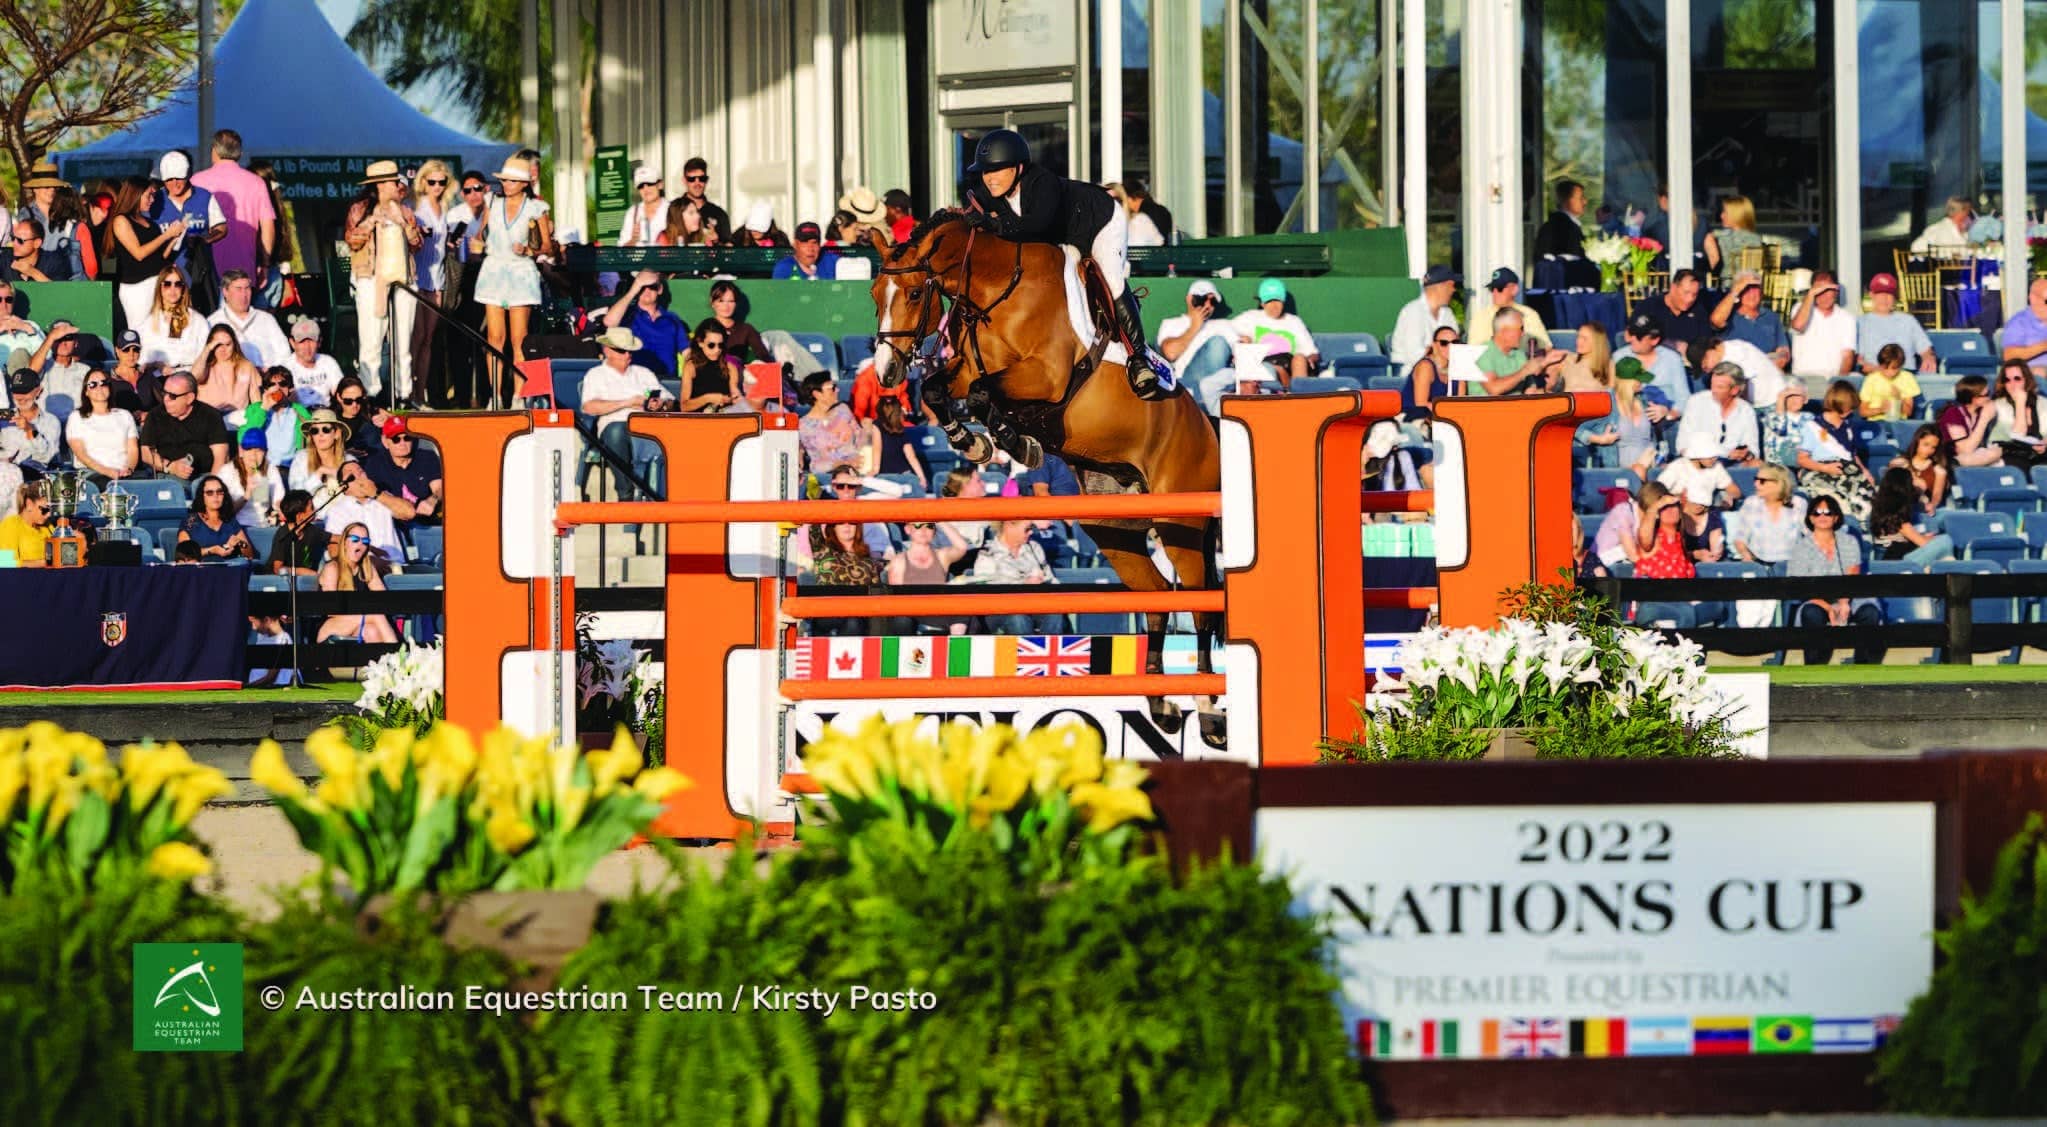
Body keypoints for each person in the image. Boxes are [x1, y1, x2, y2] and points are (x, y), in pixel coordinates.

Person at [961, 128, 1176, 396]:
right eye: (985, 171)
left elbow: (1035, 227)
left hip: (1100, 222)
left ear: (1018, 168)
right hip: (1066, 238)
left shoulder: (1043, 183)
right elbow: (969, 209)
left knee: (1111, 278)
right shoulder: (991, 191)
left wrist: (991, 223)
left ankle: (1138, 357)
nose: (990, 178)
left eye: (997, 169)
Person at [469, 158, 553, 407]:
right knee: (495, 337)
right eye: (504, 179)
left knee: (520, 339)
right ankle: (495, 396)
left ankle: (519, 395)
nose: (506, 184)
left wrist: (528, 250)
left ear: (524, 184)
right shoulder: (492, 202)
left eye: (512, 180)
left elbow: (547, 245)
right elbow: (481, 234)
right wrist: (478, 244)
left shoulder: (536, 208)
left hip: (521, 273)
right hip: (493, 270)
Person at [344, 161, 424, 404]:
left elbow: (417, 244)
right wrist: (371, 222)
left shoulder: (405, 210)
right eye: (392, 181)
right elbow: (352, 241)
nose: (397, 185)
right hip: (371, 278)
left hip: (403, 279)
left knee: (403, 340)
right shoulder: (360, 209)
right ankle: (371, 392)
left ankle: (403, 393)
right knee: (371, 338)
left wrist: (403, 222)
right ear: (379, 185)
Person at [581, 326, 674, 502]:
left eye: (629, 351)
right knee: (616, 431)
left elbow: (669, 399)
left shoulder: (643, 373)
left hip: (649, 425)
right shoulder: (596, 375)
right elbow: (589, 407)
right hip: (617, 425)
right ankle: (626, 493)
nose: (627, 355)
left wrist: (660, 404)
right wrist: (628, 403)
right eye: (622, 351)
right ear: (607, 350)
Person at [1787, 496, 1883, 666]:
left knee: (1870, 612)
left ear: (1836, 517)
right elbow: (1800, 585)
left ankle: (1863, 665)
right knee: (1811, 613)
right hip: (1815, 599)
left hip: (1848, 595)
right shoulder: (1801, 546)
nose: (1822, 516)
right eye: (1817, 512)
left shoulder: (1848, 541)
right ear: (1810, 517)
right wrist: (1828, 607)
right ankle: (1814, 666)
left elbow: (1852, 572)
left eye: (1827, 512)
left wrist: (1844, 601)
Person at [187, 129, 277, 289]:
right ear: (240, 153)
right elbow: (268, 227)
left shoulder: (197, 181)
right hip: (244, 271)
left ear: (214, 150)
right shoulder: (256, 182)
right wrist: (265, 263)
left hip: (205, 270)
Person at [104, 176, 184, 333]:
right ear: (135, 195)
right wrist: (166, 236)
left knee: (163, 329)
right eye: (149, 195)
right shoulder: (121, 221)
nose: (152, 200)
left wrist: (174, 240)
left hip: (158, 282)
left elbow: (160, 256)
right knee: (141, 331)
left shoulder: (150, 223)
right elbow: (138, 253)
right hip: (137, 287)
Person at [407, 159, 456, 404]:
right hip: (419, 275)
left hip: (437, 277)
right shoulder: (416, 207)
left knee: (428, 340)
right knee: (416, 339)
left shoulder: (445, 208)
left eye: (441, 182)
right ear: (423, 181)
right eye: (432, 181)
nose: (437, 186)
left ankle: (420, 393)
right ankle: (410, 391)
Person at [1795, 380, 1877, 522]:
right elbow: (1802, 459)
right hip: (1820, 471)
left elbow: (1852, 454)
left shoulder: (1848, 425)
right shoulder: (1812, 426)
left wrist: (1864, 470)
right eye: (1849, 407)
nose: (1852, 411)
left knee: (1868, 502)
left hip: (1847, 470)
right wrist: (1825, 468)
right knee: (1839, 505)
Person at [151, 150, 226, 301]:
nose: (174, 184)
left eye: (179, 178)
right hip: (165, 279)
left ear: (188, 175)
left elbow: (222, 228)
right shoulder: (155, 200)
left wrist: (203, 239)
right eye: (169, 180)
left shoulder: (204, 197)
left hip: (199, 274)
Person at [1158, 280, 1237, 414]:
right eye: (1202, 299)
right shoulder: (1171, 324)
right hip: (1186, 385)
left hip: (1217, 387)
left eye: (1212, 302)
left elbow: (1242, 353)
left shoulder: (1223, 325)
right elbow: (1170, 353)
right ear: (1190, 299)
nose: (1207, 305)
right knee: (1217, 343)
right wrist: (1195, 326)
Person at [883, 519, 973, 635]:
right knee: (903, 619)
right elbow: (898, 599)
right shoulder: (899, 561)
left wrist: (940, 520)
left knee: (964, 608)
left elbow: (962, 547)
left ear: (934, 531)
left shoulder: (941, 556)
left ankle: (955, 648)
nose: (923, 530)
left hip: (938, 610)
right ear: (907, 529)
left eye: (929, 526)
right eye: (918, 525)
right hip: (912, 612)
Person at [972, 519, 1063, 634]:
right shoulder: (987, 554)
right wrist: (1024, 585)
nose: (1031, 532)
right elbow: (987, 594)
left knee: (1054, 613)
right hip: (1002, 610)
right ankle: (1023, 651)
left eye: (1032, 528)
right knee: (1017, 617)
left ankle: (1050, 650)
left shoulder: (1034, 548)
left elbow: (1050, 578)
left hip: (1034, 604)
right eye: (1027, 529)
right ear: (1009, 526)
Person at [315, 521, 399, 645]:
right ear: (344, 543)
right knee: (377, 616)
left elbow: (383, 599)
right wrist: (366, 612)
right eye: (355, 539)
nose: (360, 544)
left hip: (358, 623)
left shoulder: (367, 568)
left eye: (365, 541)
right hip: (331, 626)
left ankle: (378, 664)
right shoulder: (332, 568)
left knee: (371, 631)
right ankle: (397, 655)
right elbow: (331, 610)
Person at [1228, 277, 1321, 386]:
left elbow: (1312, 352)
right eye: (1269, 301)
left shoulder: (1294, 321)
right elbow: (1226, 330)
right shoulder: (1251, 317)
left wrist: (1311, 358)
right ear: (1262, 303)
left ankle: (1297, 396)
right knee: (1246, 344)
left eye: (1277, 300)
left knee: (1299, 359)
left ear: (1283, 301)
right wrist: (1240, 344)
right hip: (1263, 365)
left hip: (1290, 366)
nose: (1274, 306)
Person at [139, 372, 230, 481]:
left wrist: (211, 484)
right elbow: (146, 453)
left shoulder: (210, 415)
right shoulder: (155, 415)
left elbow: (221, 455)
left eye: (172, 396)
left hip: (205, 475)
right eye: (164, 393)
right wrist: (170, 467)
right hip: (169, 475)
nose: (166, 399)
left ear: (189, 398)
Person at [602, 269, 691, 377]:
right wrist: (634, 289)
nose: (647, 290)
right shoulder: (627, 314)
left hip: (666, 381)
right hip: (634, 380)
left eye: (652, 287)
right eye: (642, 287)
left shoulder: (672, 319)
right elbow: (609, 322)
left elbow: (687, 352)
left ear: (660, 289)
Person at [1674, 356, 1760, 463]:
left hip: (1734, 465)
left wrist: (1746, 454)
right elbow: (1683, 444)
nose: (1713, 390)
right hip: (1699, 462)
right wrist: (1726, 453)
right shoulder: (1696, 402)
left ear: (1734, 390)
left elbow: (1753, 448)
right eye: (1712, 385)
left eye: (1719, 387)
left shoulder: (1746, 410)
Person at [364, 416, 443, 525]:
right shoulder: (375, 464)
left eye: (407, 438)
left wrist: (432, 500)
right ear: (385, 441)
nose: (402, 443)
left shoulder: (427, 457)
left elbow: (439, 487)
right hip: (392, 525)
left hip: (427, 523)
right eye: (395, 439)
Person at [322, 459, 406, 563]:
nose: (358, 475)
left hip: (395, 566)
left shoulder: (383, 498)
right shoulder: (336, 511)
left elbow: (409, 513)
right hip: (360, 567)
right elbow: (334, 551)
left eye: (360, 471)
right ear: (344, 487)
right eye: (351, 475)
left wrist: (376, 494)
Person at [1868, 467, 1954, 565]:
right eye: (1912, 482)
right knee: (1946, 541)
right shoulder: (1897, 517)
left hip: (1899, 555)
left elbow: (1914, 538)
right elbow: (1922, 543)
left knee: (1945, 553)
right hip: (1898, 562)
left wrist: (1927, 538)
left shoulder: (1883, 509)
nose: (1914, 484)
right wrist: (1932, 539)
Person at [1708, 270, 1790, 373]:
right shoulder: (1728, 314)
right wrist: (1735, 291)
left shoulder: (1771, 317)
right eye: (1746, 288)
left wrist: (1781, 358)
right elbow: (1716, 320)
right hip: (1734, 376)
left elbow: (1783, 349)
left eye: (1755, 288)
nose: (1752, 293)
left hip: (1765, 373)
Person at [65, 372, 139, 486]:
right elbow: (81, 455)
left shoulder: (124, 415)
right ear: (86, 391)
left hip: (124, 474)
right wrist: (109, 472)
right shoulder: (76, 417)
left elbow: (133, 450)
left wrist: (129, 469)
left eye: (103, 383)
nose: (99, 387)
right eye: (93, 384)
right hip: (91, 474)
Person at [1474, 308, 1569, 396]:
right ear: (1505, 331)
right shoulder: (1482, 353)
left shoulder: (1519, 355)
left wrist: (1551, 386)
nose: (1523, 333)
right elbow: (1493, 389)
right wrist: (1525, 371)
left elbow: (1530, 392)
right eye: (1521, 328)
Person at [15, 161, 83, 280]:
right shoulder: (26, 213)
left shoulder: (65, 213)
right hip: (36, 274)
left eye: (55, 187)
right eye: (47, 187)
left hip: (64, 275)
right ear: (35, 189)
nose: (52, 190)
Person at [1857, 274, 1936, 375]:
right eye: (1880, 293)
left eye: (1889, 294)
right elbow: (1860, 361)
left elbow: (1925, 349)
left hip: (1906, 376)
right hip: (1874, 377)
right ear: (1872, 294)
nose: (1885, 298)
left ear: (1895, 297)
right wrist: (1884, 371)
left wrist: (1928, 357)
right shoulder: (1861, 322)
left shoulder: (1908, 320)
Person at [1621, 313, 1692, 424]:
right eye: (1632, 333)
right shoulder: (1619, 357)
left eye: (1639, 336)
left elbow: (1684, 399)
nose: (1632, 339)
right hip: (1630, 420)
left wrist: (1668, 412)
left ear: (1654, 340)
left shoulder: (1672, 359)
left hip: (1666, 421)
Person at [1732, 462, 1806, 567]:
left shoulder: (1799, 503)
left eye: (1762, 481)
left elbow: (1810, 536)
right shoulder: (1751, 503)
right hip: (1759, 563)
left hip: (1792, 564)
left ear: (1778, 483)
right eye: (1756, 480)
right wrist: (1746, 554)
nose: (1755, 484)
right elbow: (1740, 537)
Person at [1388, 264, 1461, 369]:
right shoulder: (1412, 312)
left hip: (1443, 372)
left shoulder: (1447, 313)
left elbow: (1456, 347)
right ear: (1440, 286)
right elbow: (1414, 356)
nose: (1453, 290)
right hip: (1411, 375)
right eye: (1451, 285)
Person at [1789, 270, 1857, 379]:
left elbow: (1848, 356)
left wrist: (1837, 382)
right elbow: (1797, 326)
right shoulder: (1800, 308)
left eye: (1827, 289)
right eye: (1819, 290)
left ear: (1836, 291)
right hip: (1803, 377)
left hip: (1833, 379)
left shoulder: (1847, 318)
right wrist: (1811, 294)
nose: (1823, 295)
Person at [1466, 267, 1552, 351]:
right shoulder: (1480, 317)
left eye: (1500, 289)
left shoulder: (1528, 314)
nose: (1495, 293)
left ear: (1514, 289)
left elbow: (1546, 347)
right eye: (1492, 289)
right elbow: (1473, 350)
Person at [177, 474, 255, 561]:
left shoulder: (229, 520)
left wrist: (239, 543)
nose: (215, 496)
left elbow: (250, 555)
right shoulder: (191, 521)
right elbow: (183, 554)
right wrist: (212, 550)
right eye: (210, 493)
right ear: (202, 496)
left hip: (228, 570)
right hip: (201, 570)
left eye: (219, 491)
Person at [797, 372, 862, 475]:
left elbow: (860, 436)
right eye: (832, 388)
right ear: (817, 394)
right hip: (828, 475)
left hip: (857, 469)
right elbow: (817, 462)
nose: (837, 390)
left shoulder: (843, 410)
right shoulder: (803, 425)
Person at [25, 321, 89, 421]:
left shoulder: (85, 370)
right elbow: (30, 373)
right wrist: (51, 337)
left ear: (75, 343)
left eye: (68, 337)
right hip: (47, 425)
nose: (63, 342)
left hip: (76, 426)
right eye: (58, 338)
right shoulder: (42, 366)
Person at [223, 427, 286, 529]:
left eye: (259, 450)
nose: (253, 455)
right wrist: (246, 495)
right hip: (235, 526)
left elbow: (278, 501)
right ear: (241, 451)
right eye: (249, 449)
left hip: (263, 525)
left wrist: (280, 507)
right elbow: (224, 513)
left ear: (265, 452)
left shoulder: (270, 470)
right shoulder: (228, 472)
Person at [1939, 373, 2006, 468]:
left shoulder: (1980, 411)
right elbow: (1965, 450)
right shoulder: (1953, 414)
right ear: (1974, 398)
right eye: (1986, 395)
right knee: (1995, 454)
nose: (1989, 398)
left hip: (1978, 455)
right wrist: (1984, 418)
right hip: (1955, 459)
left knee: (2000, 453)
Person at [1991, 360, 2047, 472]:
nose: (2012, 384)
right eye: (2007, 380)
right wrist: (2020, 402)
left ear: (2027, 380)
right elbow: (2017, 434)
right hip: (2009, 453)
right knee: (2019, 466)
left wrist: (2045, 443)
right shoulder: (1997, 405)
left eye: (2017, 378)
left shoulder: (2042, 402)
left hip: (2039, 454)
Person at [1631, 484, 1695, 580]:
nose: (1669, 510)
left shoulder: (1680, 539)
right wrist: (1656, 505)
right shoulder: (1654, 537)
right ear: (1657, 514)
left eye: (1673, 506)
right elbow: (1644, 539)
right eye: (1664, 507)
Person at [677, 320, 743, 412]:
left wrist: (735, 399)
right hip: (698, 421)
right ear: (700, 343)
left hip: (723, 419)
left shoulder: (730, 367)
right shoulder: (691, 367)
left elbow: (736, 396)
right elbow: (684, 406)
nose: (717, 350)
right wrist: (708, 398)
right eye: (711, 345)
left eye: (720, 345)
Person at [192, 324, 258, 415]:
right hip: (210, 418)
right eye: (218, 345)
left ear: (234, 344)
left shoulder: (247, 366)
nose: (223, 349)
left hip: (238, 419)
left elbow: (256, 399)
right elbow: (194, 377)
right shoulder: (205, 366)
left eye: (228, 344)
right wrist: (207, 349)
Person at [1, 366, 59, 469]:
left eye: (25, 391)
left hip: (34, 477)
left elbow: (45, 457)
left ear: (38, 391)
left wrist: (30, 430)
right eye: (16, 392)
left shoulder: (51, 421)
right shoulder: (4, 415)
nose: (20, 397)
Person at [1657, 436, 1739, 509]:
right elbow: (1656, 491)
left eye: (1715, 455)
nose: (1714, 459)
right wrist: (1676, 498)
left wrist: (1729, 497)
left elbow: (1735, 490)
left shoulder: (1717, 467)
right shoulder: (1677, 466)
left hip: (1707, 511)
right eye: (1710, 456)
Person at [1400, 326, 1459, 424]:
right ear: (1434, 345)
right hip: (1415, 420)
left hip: (1444, 420)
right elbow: (1421, 405)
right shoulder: (1426, 366)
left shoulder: (1458, 367)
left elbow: (1460, 401)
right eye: (1444, 343)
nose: (1450, 347)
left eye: (1455, 343)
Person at [290, 407, 353, 498]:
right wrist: (319, 474)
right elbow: (296, 496)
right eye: (315, 431)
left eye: (326, 430)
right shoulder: (301, 458)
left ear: (337, 434)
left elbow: (358, 492)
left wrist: (337, 474)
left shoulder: (349, 460)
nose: (320, 434)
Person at [279, 318, 344, 406]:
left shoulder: (328, 362)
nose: (307, 347)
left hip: (325, 413)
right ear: (292, 343)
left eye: (311, 341)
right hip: (298, 414)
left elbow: (341, 393)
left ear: (319, 342)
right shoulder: (285, 368)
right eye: (302, 341)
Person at [1890, 423, 1953, 512]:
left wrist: (1932, 505)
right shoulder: (1900, 463)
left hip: (1923, 507)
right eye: (1926, 444)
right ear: (1917, 441)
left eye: (1933, 447)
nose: (1929, 450)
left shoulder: (1938, 470)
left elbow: (1936, 496)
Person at [1702, 194, 1763, 284]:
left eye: (1725, 212)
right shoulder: (1757, 238)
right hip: (1753, 285)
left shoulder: (1721, 237)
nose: (1721, 216)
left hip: (1729, 286)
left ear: (1736, 215)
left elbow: (1714, 268)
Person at [1640, 268, 1707, 346]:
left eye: (1694, 294)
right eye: (1686, 292)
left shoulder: (1699, 312)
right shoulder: (1649, 307)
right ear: (1673, 288)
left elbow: (1704, 344)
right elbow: (1637, 339)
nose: (1690, 299)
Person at [266, 490, 325, 576]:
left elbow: (334, 538)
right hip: (279, 582)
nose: (315, 510)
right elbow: (278, 569)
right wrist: (308, 573)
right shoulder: (283, 534)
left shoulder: (312, 530)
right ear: (300, 516)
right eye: (312, 508)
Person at [1859, 343, 1922, 422]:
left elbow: (1908, 412)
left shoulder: (1907, 378)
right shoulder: (1871, 379)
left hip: (1899, 422)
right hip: (1876, 423)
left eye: (1894, 368)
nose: (1890, 372)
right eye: (1885, 368)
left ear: (1901, 366)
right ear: (1880, 365)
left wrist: (1899, 399)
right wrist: (1881, 409)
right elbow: (1862, 412)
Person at [105, 330, 161, 417]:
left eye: (136, 350)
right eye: (126, 350)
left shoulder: (148, 375)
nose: (131, 355)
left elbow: (165, 404)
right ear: (117, 351)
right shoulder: (108, 379)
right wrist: (129, 416)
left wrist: (149, 416)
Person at [0, 479, 53, 566]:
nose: (48, 514)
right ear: (29, 504)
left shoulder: (48, 527)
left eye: (51, 510)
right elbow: (4, 563)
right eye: (45, 509)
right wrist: (41, 563)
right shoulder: (10, 525)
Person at [2002, 278, 2047, 378]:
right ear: (2033, 298)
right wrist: (2044, 346)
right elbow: (2009, 356)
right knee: (2039, 372)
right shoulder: (2019, 322)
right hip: (2034, 371)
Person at [677, 157, 731, 237]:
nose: (697, 183)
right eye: (691, 179)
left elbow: (729, 246)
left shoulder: (719, 214)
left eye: (702, 179)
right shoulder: (674, 210)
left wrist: (716, 242)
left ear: (707, 180)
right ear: (684, 180)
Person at [1533, 180, 1588, 259]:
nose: (1585, 202)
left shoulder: (1559, 225)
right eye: (1581, 198)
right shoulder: (1561, 229)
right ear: (1568, 200)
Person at [619, 164, 670, 247]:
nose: (645, 189)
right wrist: (634, 239)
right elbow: (621, 251)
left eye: (649, 183)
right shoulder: (632, 213)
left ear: (660, 184)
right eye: (641, 186)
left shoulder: (672, 209)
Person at [1557, 322, 1614, 393]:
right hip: (1569, 402)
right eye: (1578, 336)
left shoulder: (1608, 364)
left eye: (1584, 338)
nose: (1578, 341)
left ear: (1597, 342)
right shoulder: (1568, 359)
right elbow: (1548, 385)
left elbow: (1612, 395)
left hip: (1595, 402)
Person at [771, 221, 839, 280]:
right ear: (795, 245)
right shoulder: (784, 268)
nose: (810, 249)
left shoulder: (832, 262)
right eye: (805, 243)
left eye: (814, 242)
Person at [1911, 196, 1977, 252]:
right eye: (1968, 212)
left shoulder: (1936, 228)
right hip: (1944, 265)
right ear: (1961, 213)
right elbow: (1957, 252)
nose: (1969, 215)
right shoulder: (1943, 231)